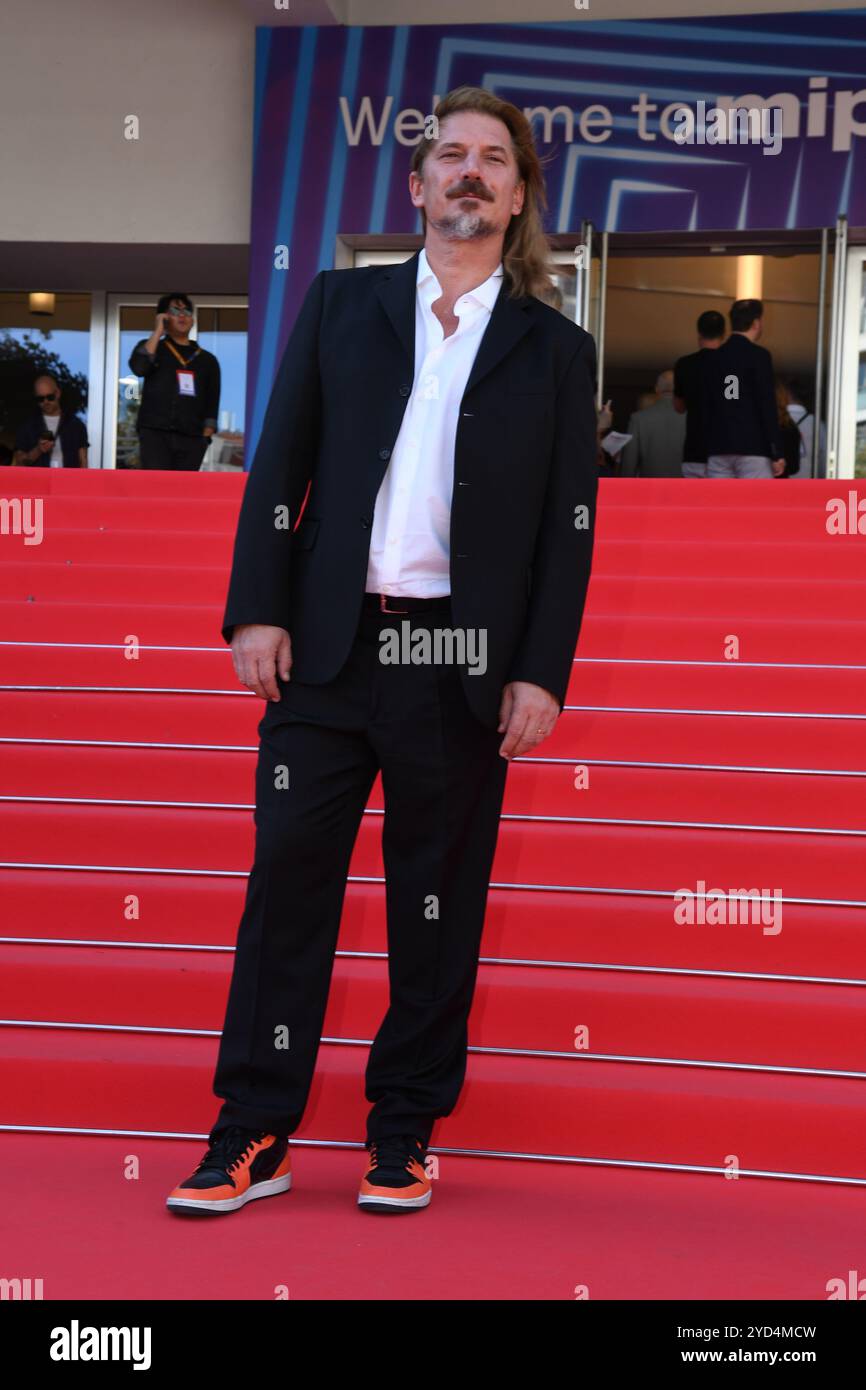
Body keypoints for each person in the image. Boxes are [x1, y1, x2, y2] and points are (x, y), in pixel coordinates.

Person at [166, 84, 599, 1218]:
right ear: (416, 185)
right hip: (327, 646)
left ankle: (402, 1132)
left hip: (457, 653)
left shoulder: (556, 351)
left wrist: (539, 670)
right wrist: (257, 607)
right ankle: (252, 1127)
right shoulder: (340, 304)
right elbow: (281, 463)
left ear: (517, 197)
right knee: (287, 884)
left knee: (435, 902)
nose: (470, 172)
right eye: (451, 155)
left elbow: (567, 529)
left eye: (493, 159)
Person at [128, 294, 220, 471]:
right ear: (164, 317)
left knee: (184, 487)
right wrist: (158, 331)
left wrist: (205, 437)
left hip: (192, 436)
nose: (182, 315)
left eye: (187, 311)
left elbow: (212, 402)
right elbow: (139, 368)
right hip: (154, 432)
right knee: (156, 485)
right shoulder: (153, 347)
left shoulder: (207, 360)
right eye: (175, 311)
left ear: (193, 320)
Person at [701, 299, 785, 478]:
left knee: (720, 497)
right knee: (756, 497)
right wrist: (776, 450)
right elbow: (767, 404)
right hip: (752, 446)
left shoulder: (714, 357)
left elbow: (706, 405)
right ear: (756, 323)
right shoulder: (759, 356)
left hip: (719, 447)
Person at [673, 310, 726, 477]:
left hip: (694, 450)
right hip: (723, 451)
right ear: (723, 334)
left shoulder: (684, 364)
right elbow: (734, 402)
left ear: (699, 333)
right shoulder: (731, 365)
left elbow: (679, 407)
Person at [12, 373, 88, 468]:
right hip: (38, 477)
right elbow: (19, 464)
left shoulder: (75, 425)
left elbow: (83, 462)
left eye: (50, 397)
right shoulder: (27, 427)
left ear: (58, 393)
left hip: (68, 477)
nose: (46, 402)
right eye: (41, 399)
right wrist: (38, 450)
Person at [619, 369, 686, 477]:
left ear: (657, 389)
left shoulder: (638, 419)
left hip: (650, 485)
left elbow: (629, 462)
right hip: (686, 485)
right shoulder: (693, 418)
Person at [777, 377, 825, 478]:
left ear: (786, 396)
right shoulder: (817, 424)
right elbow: (824, 459)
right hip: (808, 482)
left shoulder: (777, 420)